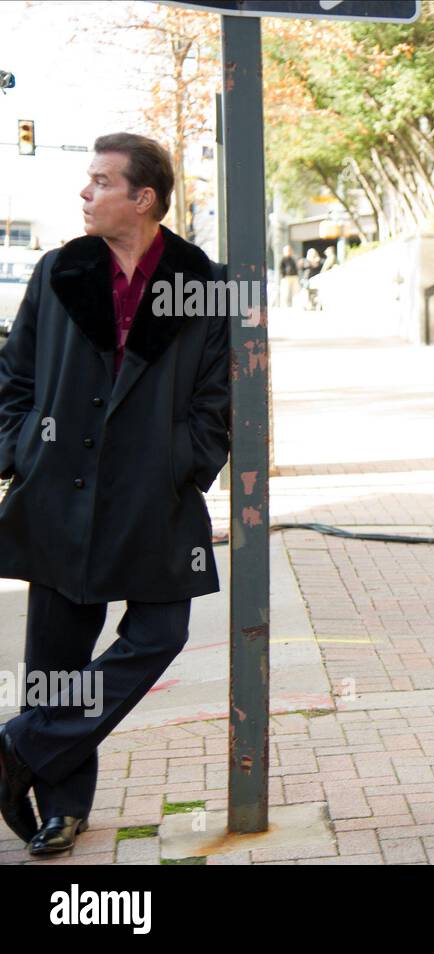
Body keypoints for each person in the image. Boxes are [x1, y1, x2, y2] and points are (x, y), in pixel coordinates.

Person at [0, 132, 231, 857]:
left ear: (144, 198)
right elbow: (15, 380)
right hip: (57, 495)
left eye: (101, 182)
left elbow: (216, 399)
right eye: (88, 180)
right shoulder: (59, 269)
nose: (85, 193)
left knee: (161, 635)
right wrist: (20, 454)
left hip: (153, 499)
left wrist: (184, 463)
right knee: (56, 663)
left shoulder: (202, 280)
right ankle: (60, 808)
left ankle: (19, 749)